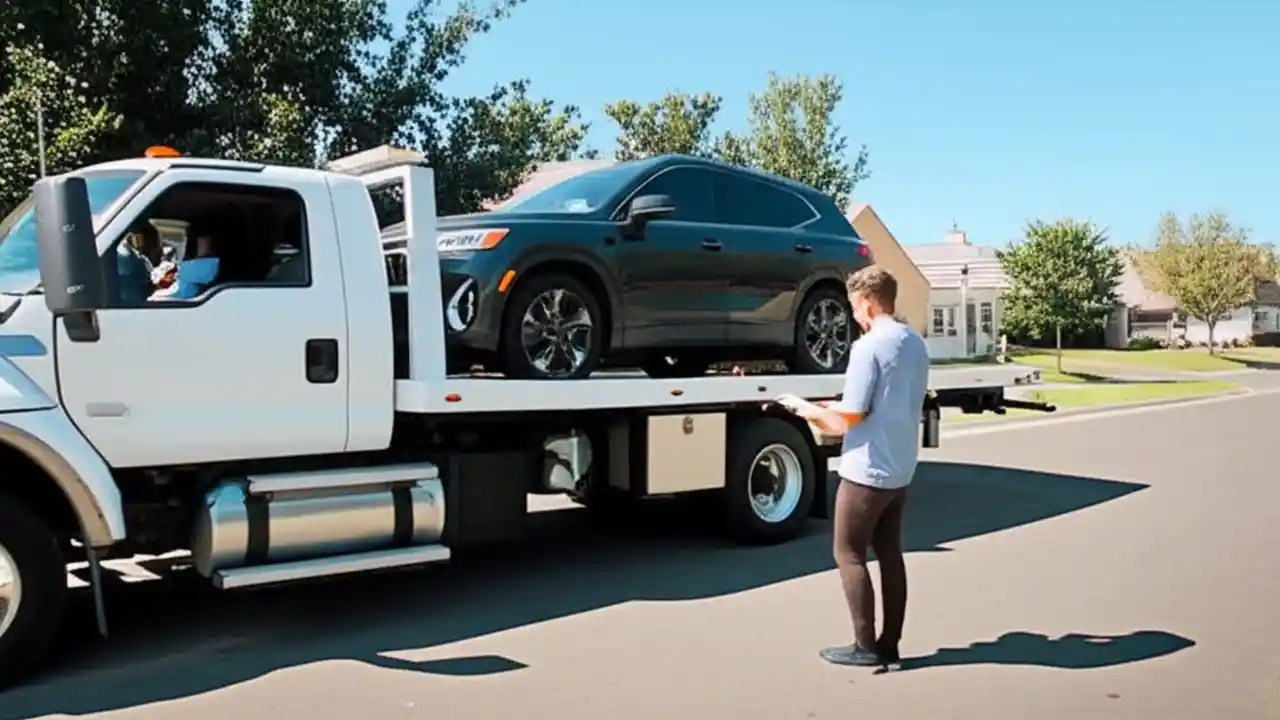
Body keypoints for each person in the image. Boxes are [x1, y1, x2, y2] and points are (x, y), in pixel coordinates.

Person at [786, 266, 930, 668]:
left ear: (867, 302)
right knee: (889, 554)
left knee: (848, 553)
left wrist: (803, 409)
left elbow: (844, 422)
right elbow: (877, 403)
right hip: (900, 467)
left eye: (853, 307)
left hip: (867, 470)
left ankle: (864, 646)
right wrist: (836, 406)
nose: (852, 316)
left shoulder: (868, 347)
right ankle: (889, 643)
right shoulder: (914, 342)